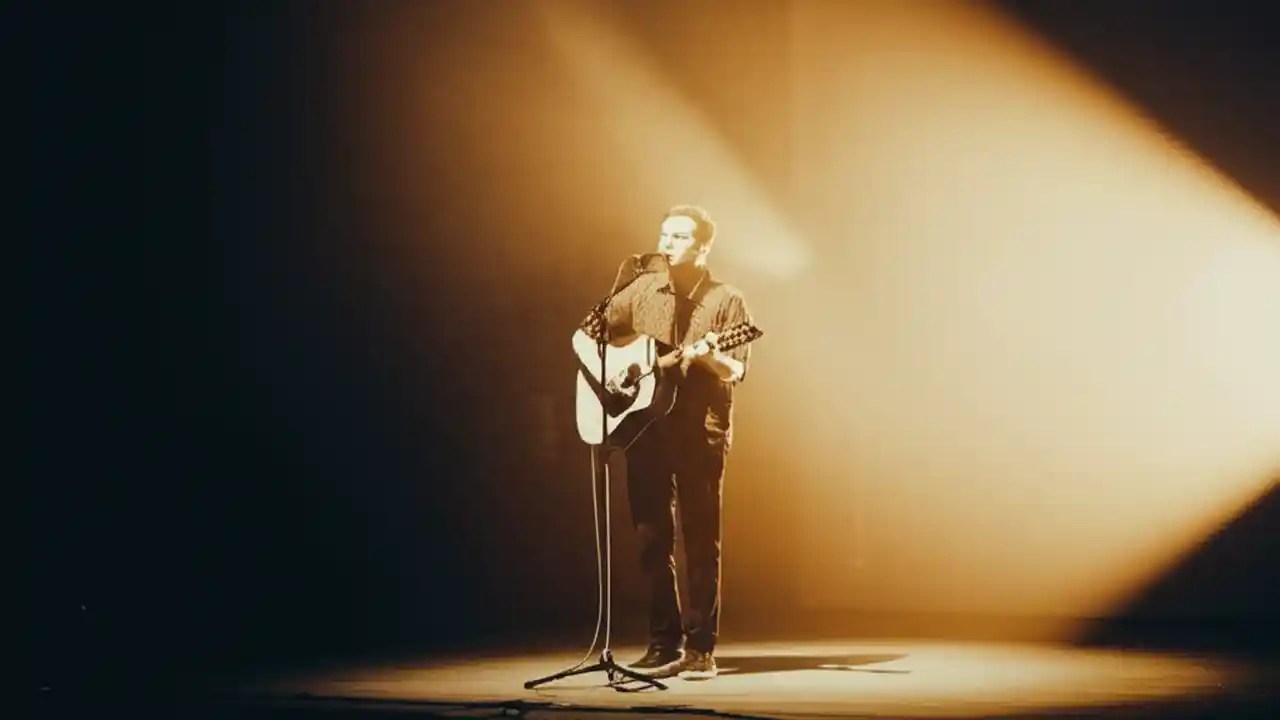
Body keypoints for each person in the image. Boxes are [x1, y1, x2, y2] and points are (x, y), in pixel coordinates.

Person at [580, 205, 755, 680]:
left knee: (700, 539)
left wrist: (709, 355)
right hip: (644, 428)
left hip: (701, 432)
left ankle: (700, 648)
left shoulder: (727, 299)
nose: (667, 243)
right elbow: (589, 334)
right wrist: (616, 377)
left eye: (679, 237)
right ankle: (663, 643)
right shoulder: (641, 288)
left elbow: (736, 369)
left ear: (703, 246)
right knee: (650, 539)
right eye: (664, 234)